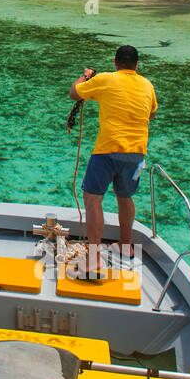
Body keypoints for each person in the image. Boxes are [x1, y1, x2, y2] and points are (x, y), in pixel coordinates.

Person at [67, 45, 157, 278]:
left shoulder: (105, 79)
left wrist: (85, 76)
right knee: (125, 196)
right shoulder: (147, 85)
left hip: (107, 149)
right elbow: (152, 113)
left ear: (116, 63)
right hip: (137, 152)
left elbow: (74, 93)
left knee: (92, 199)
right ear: (137, 65)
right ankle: (125, 246)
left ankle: (95, 257)